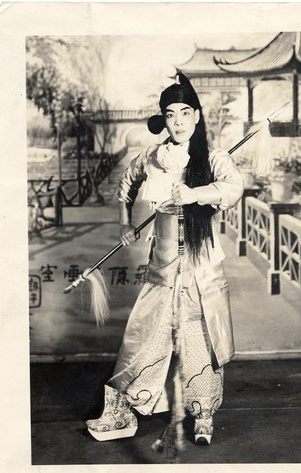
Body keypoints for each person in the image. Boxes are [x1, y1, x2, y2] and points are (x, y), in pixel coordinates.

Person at [86, 73, 244, 447]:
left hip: (201, 263)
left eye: (184, 112)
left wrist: (194, 194)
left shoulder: (214, 157)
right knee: (145, 334)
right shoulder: (153, 157)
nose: (177, 121)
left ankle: (203, 415)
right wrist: (126, 224)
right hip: (162, 260)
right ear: (164, 118)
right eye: (170, 114)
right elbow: (127, 184)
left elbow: (233, 188)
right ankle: (124, 411)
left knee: (198, 334)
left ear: (197, 115)